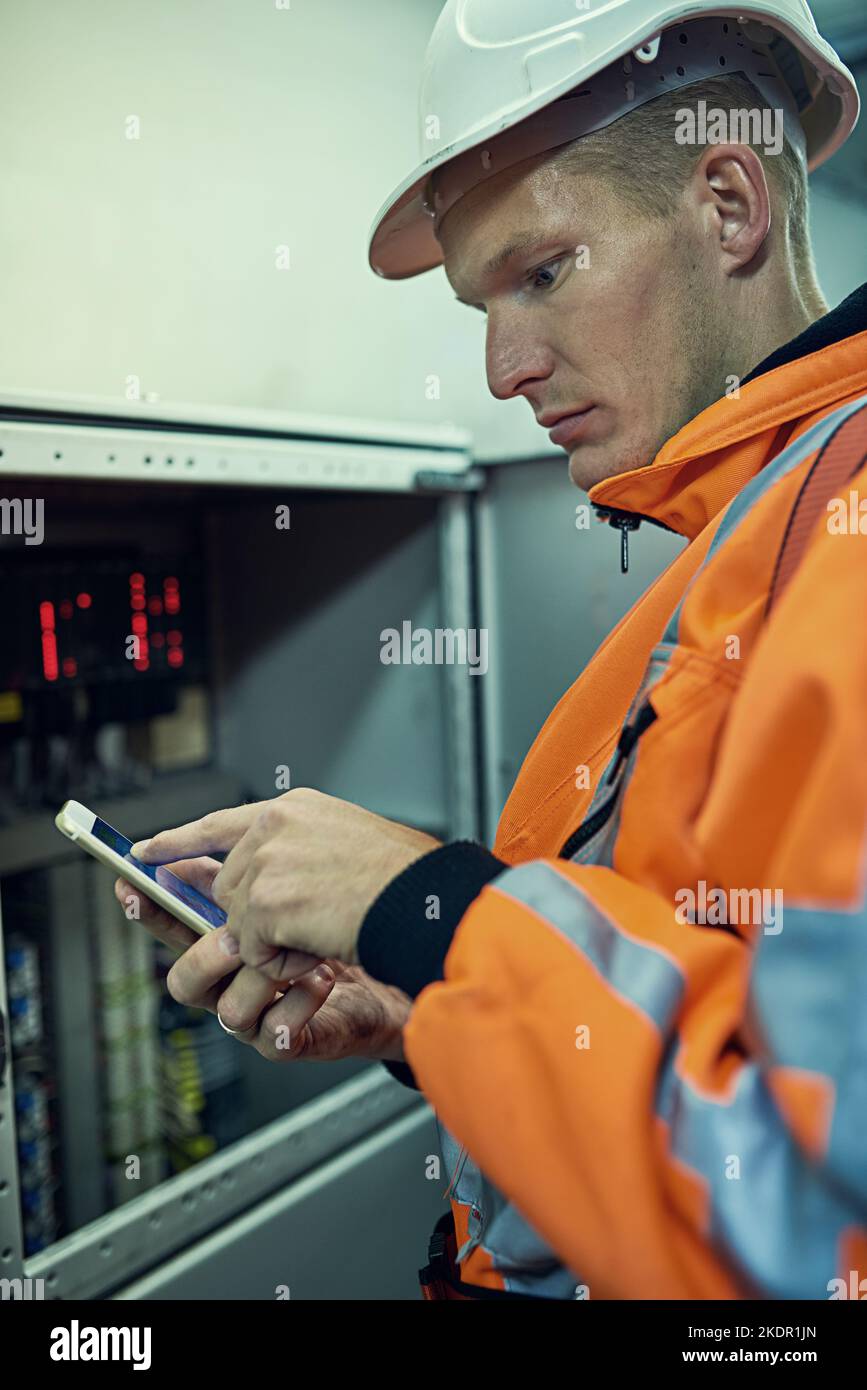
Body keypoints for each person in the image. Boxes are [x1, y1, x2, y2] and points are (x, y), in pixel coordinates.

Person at [116, 0, 867, 1299]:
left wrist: (436, 908)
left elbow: (815, 1229)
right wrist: (431, 1008)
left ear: (730, 204)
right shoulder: (741, 542)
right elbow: (697, 1032)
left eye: (545, 272)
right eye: (483, 302)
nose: (506, 365)